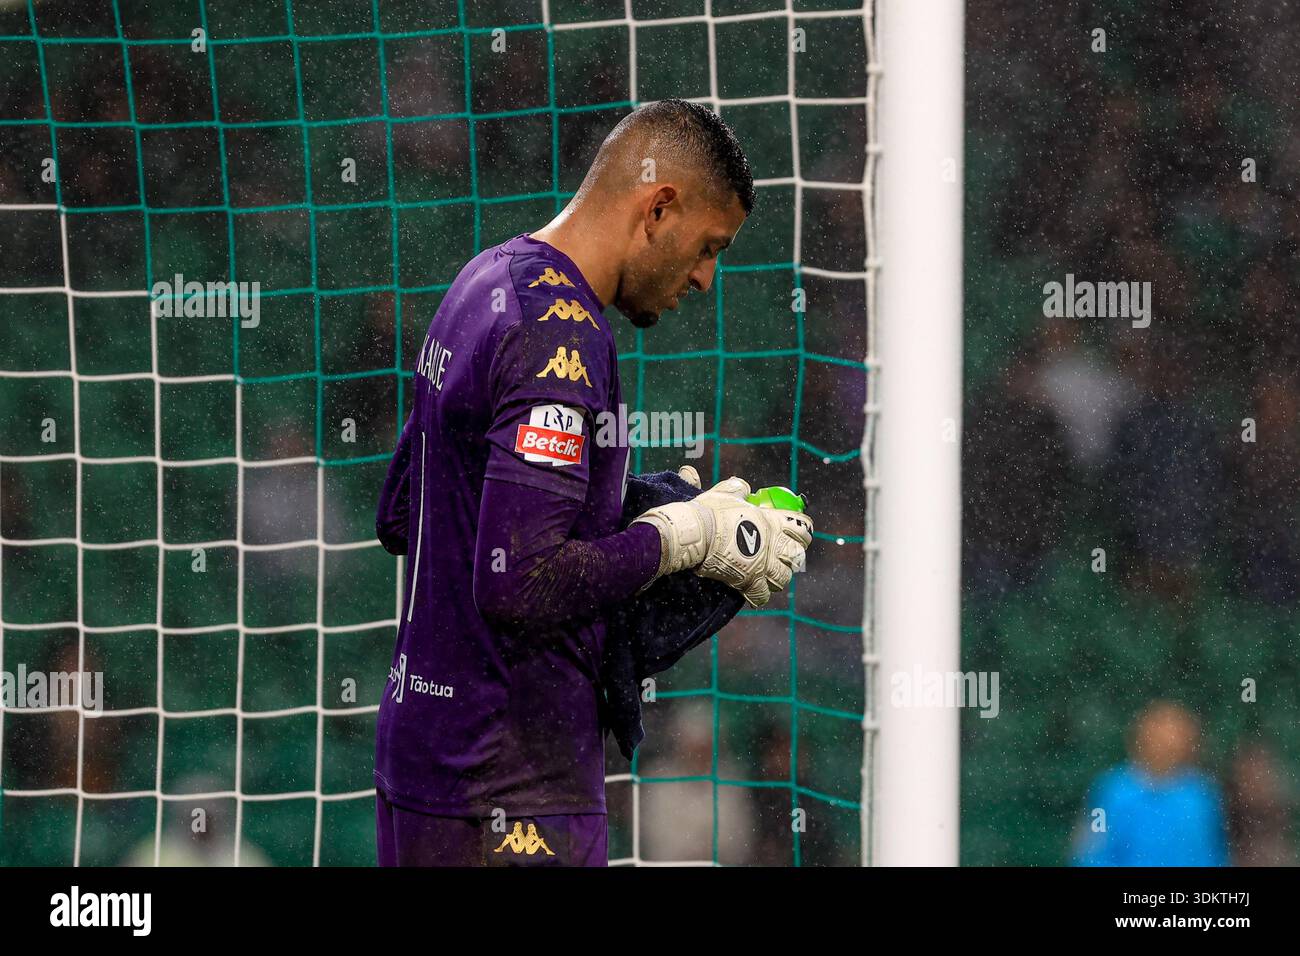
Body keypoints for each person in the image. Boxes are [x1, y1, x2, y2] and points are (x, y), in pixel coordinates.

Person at [372, 99, 814, 866]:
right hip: (514, 792)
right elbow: (521, 583)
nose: (707, 278)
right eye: (709, 247)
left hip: (425, 769)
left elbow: (402, 510)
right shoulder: (560, 333)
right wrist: (679, 538)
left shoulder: (482, 283)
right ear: (659, 207)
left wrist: (616, 501)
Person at [1073, 701, 1227, 866]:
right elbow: (1093, 854)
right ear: (1141, 737)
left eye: (1176, 736)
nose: (1167, 744)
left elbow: (1211, 854)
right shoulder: (1113, 791)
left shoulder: (1200, 795)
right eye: (1160, 734)